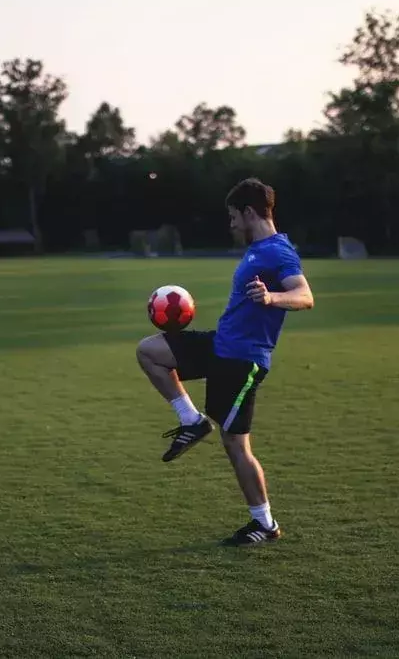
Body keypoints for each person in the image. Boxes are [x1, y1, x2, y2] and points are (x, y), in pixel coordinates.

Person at [136, 177, 314, 546]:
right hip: (221, 345)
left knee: (236, 445)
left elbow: (304, 295)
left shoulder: (278, 252)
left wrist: (271, 299)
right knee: (150, 351)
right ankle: (191, 420)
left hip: (242, 360)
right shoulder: (256, 250)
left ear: (249, 212)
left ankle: (264, 524)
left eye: (234, 216)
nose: (231, 224)